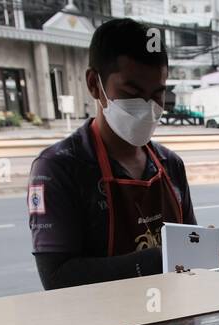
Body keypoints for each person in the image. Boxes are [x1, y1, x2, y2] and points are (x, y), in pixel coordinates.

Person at [27, 17, 197, 291]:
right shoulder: (59, 169)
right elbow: (57, 277)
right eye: (132, 92)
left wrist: (207, 258)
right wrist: (153, 262)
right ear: (95, 84)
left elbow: (191, 242)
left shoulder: (170, 165)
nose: (148, 106)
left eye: (157, 93)